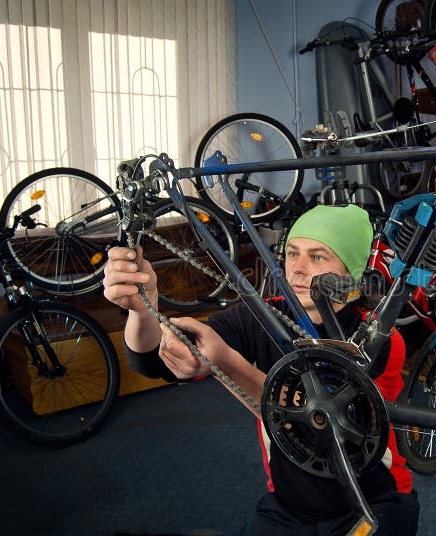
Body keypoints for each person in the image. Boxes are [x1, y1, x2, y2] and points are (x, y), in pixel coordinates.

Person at [103, 204, 419, 535]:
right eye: (293, 253)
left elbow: (323, 422)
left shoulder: (381, 339)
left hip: (375, 501)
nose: (298, 269)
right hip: (290, 506)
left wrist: (225, 361)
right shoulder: (261, 317)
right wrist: (142, 310)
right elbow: (154, 361)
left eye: (317, 257)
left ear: (350, 271)